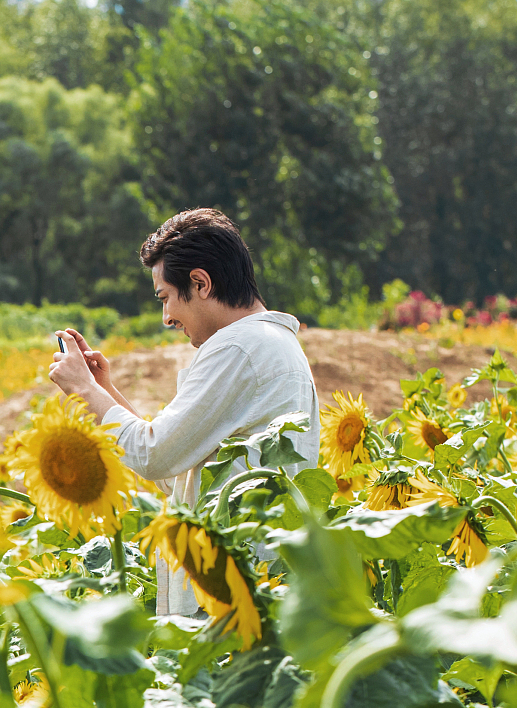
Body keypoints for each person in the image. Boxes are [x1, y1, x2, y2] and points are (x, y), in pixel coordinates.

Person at [46, 207, 319, 613]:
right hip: (250, 585)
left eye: (166, 298)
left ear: (200, 282)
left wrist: (86, 391)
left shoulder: (237, 348)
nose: (167, 317)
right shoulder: (266, 343)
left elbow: (155, 455)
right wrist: (106, 390)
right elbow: (177, 467)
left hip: (228, 593)